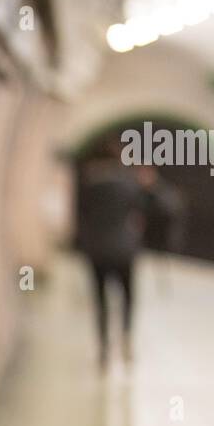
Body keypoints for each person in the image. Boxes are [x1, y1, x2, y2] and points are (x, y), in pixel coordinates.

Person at [76, 156, 147, 367]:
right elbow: (143, 212)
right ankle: (126, 334)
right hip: (124, 251)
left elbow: (82, 217)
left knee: (101, 299)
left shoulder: (90, 186)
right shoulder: (130, 185)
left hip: (97, 251)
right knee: (128, 296)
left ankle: (104, 346)